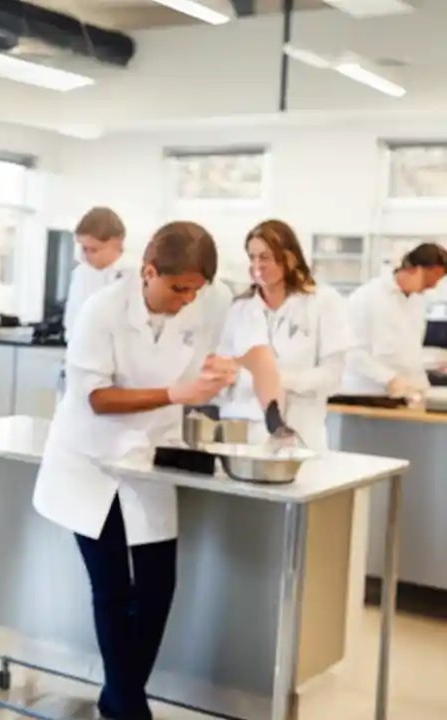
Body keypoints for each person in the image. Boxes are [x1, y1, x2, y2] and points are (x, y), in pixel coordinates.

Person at [33, 221, 290, 720]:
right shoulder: (102, 310)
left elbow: (259, 355)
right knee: (112, 591)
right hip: (89, 459)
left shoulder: (211, 298)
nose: (188, 299)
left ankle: (118, 700)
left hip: (149, 459)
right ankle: (130, 708)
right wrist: (177, 393)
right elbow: (96, 397)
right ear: (149, 272)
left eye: (196, 290)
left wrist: (276, 418)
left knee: (156, 590)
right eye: (178, 289)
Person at [219, 220, 354, 449]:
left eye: (265, 257)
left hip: (302, 434)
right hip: (244, 435)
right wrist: (231, 377)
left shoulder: (323, 302)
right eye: (252, 258)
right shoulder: (240, 309)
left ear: (289, 259)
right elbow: (223, 370)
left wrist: (276, 379)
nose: (257, 265)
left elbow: (332, 378)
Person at [342, 242, 447, 403]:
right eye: (427, 280)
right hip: (367, 394)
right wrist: (389, 378)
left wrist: (422, 380)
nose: (432, 286)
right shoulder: (367, 297)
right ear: (412, 268)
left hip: (404, 396)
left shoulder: (417, 302)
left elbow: (409, 354)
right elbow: (350, 352)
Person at [63, 206, 133, 336]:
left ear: (117, 242)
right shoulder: (82, 273)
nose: (86, 256)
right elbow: (72, 322)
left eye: (93, 250)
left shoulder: (136, 275)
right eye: (84, 249)